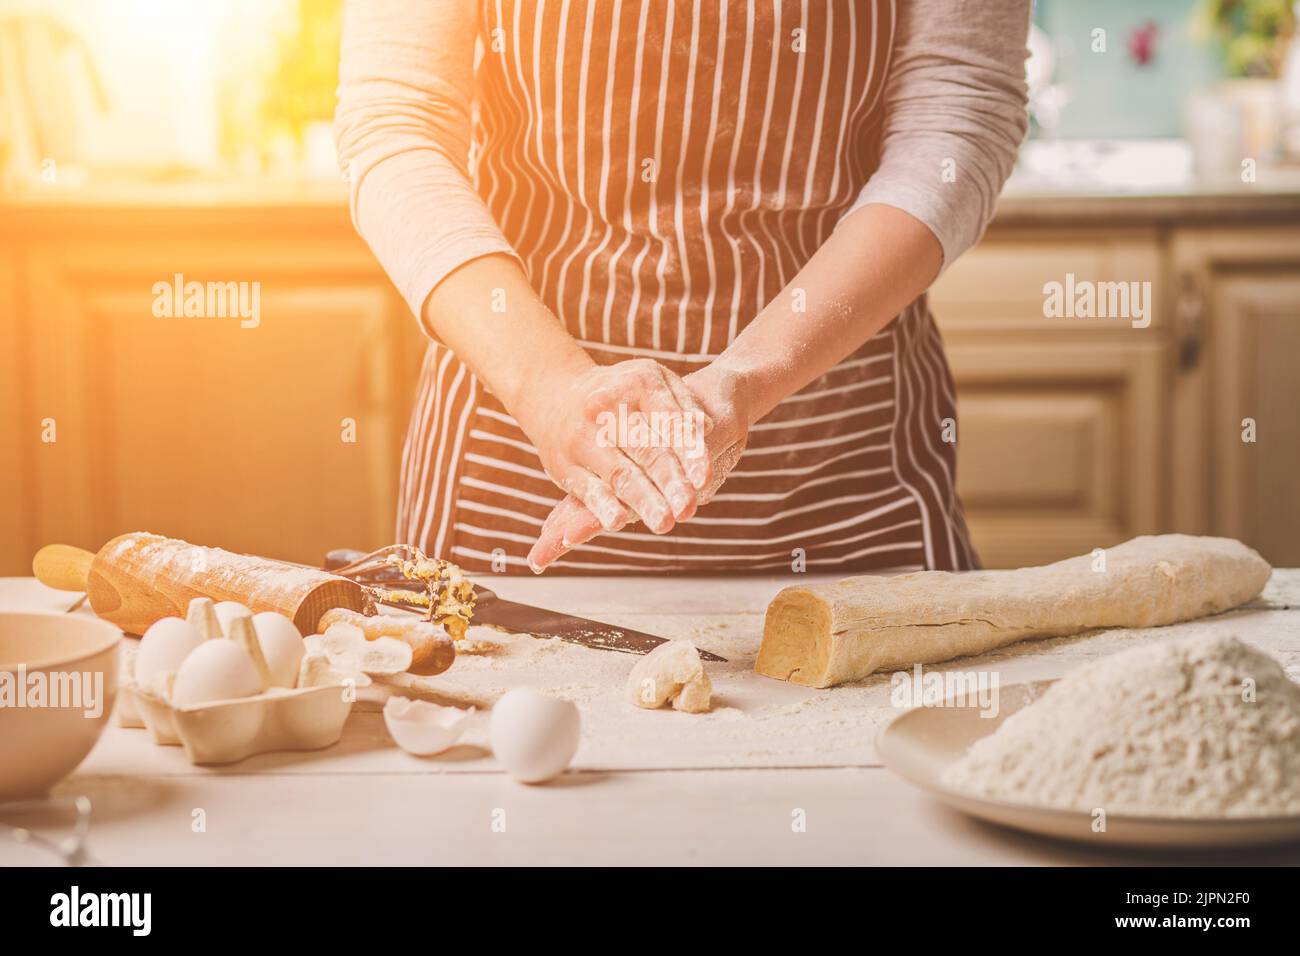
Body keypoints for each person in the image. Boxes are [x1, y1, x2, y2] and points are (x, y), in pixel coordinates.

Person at [335, 0, 1030, 574]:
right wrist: (549, 387)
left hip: (843, 488)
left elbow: (955, 121)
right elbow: (397, 121)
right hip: (510, 478)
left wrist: (748, 378)